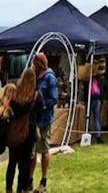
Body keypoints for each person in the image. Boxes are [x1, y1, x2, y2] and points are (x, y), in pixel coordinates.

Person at [5, 68, 40, 193]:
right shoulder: (35, 96)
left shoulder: (14, 94)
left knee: (12, 162)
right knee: (25, 164)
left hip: (14, 132)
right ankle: (21, 189)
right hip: (29, 132)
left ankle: (9, 188)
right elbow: (39, 114)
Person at [32, 53, 58, 193]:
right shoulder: (35, 76)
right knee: (32, 151)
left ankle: (43, 180)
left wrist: (41, 105)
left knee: (43, 149)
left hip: (44, 120)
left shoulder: (50, 78)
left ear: (39, 64)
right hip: (34, 119)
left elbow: (53, 99)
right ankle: (29, 179)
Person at [88, 73, 103, 143]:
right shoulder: (98, 80)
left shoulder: (87, 81)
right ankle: (98, 136)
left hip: (90, 100)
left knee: (88, 117)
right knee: (96, 118)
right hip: (97, 100)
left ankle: (87, 133)